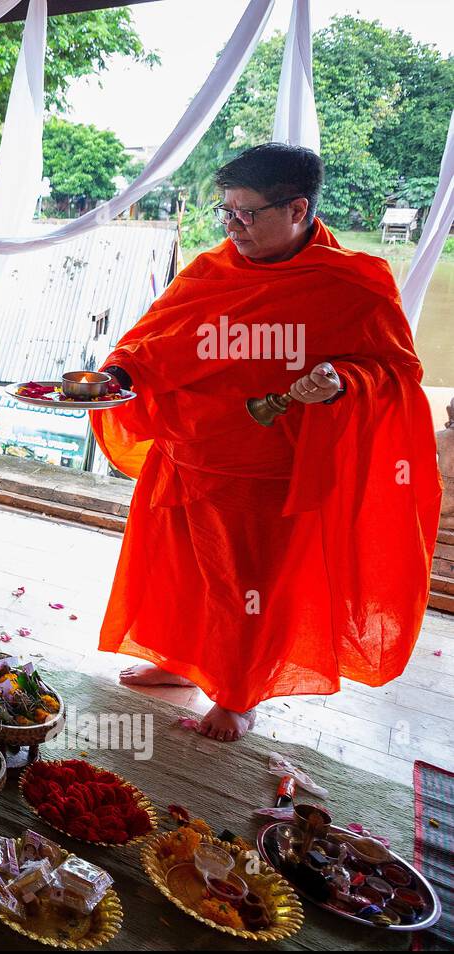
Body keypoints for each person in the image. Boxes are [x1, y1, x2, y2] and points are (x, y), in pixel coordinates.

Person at [91, 143, 441, 742]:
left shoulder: (350, 284)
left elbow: (394, 375)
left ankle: (237, 694)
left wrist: (342, 383)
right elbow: (157, 340)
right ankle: (177, 659)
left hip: (265, 472)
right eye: (226, 211)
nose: (233, 226)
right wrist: (121, 373)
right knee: (178, 570)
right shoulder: (212, 271)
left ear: (298, 209)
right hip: (186, 450)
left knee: (247, 588)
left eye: (247, 213)